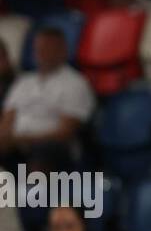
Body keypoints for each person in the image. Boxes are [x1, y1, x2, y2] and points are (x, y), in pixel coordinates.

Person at [0, 28, 96, 173]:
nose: (42, 53)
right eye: (39, 48)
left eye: (48, 48)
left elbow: (65, 132)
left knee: (44, 150)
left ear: (63, 50)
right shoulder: (24, 82)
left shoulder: (75, 83)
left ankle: (36, 194)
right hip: (17, 145)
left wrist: (22, 139)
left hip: (54, 149)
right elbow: (6, 122)